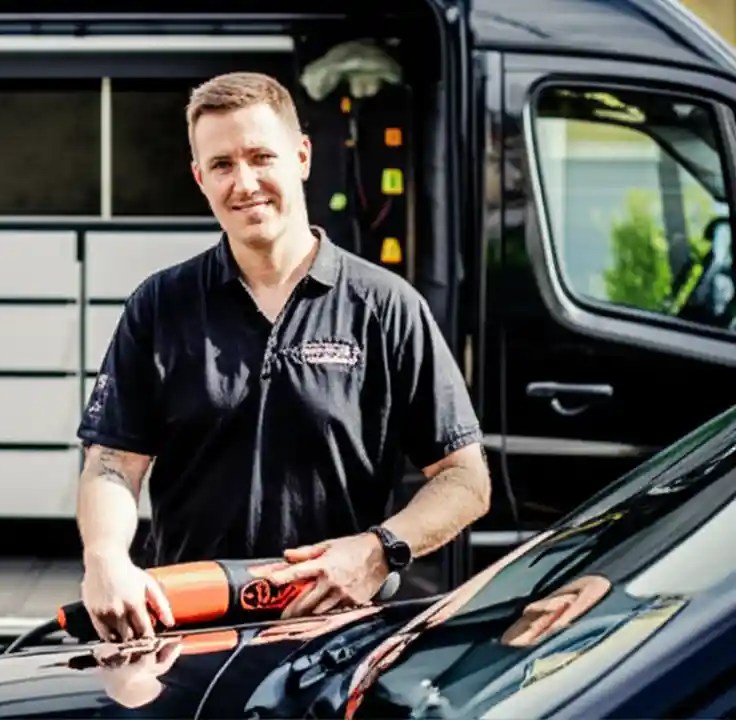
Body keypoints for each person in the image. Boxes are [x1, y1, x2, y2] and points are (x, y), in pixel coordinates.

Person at [73, 71, 491, 643]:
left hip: (340, 636)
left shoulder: (384, 306)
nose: (244, 183)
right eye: (222, 165)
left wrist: (378, 551)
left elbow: (466, 479)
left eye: (261, 157)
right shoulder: (161, 305)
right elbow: (112, 464)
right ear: (200, 178)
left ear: (302, 157)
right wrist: (104, 559)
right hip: (188, 633)